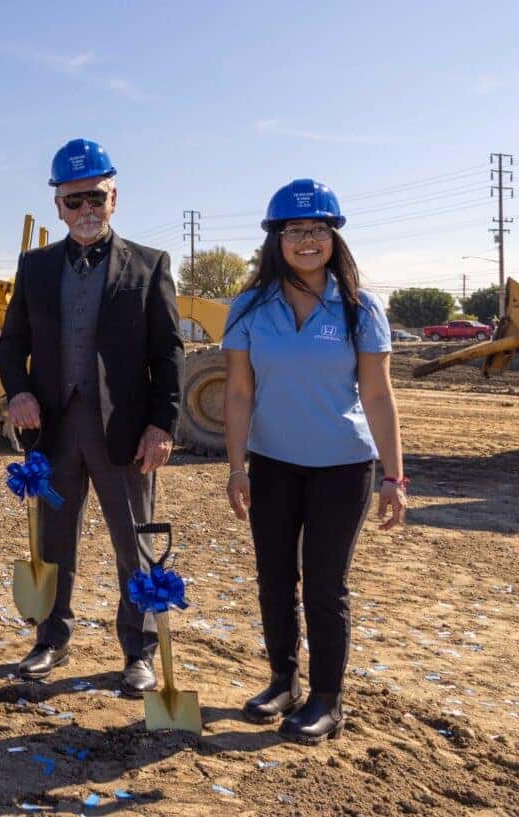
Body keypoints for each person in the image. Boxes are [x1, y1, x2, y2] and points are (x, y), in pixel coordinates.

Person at [0, 139, 184, 696]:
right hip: (54, 432)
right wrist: (19, 392)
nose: (85, 209)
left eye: (95, 197)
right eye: (74, 200)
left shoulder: (149, 265)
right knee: (53, 542)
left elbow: (168, 352)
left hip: (123, 434)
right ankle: (51, 638)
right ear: (57, 206)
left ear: (114, 197)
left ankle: (139, 651)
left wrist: (162, 424)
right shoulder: (34, 267)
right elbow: (12, 343)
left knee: (135, 544)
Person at [222, 179, 405, 744]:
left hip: (342, 468)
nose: (307, 240)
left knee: (325, 585)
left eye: (318, 229)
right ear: (275, 240)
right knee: (274, 578)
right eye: (295, 230)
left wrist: (394, 476)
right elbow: (238, 393)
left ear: (334, 237)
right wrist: (236, 467)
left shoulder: (358, 308)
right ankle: (284, 682)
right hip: (272, 465)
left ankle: (328, 699)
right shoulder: (250, 307)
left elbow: (378, 394)